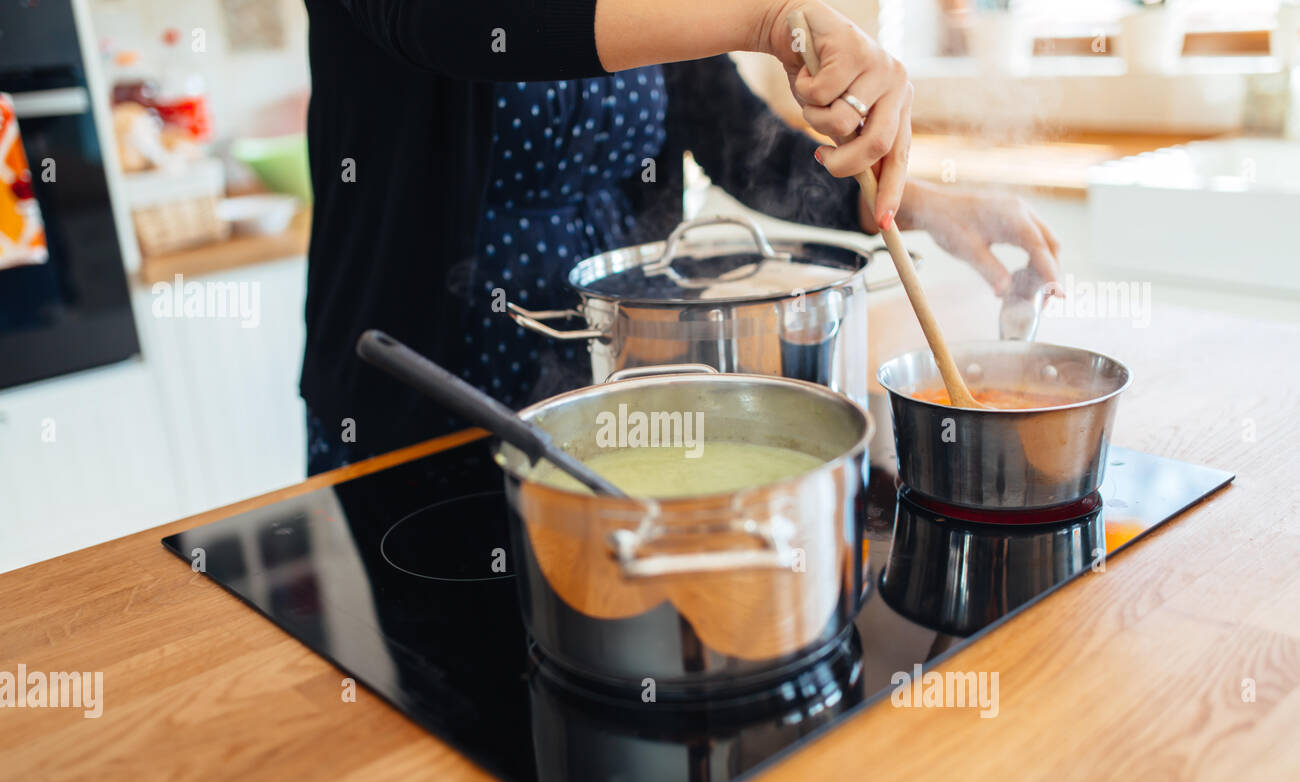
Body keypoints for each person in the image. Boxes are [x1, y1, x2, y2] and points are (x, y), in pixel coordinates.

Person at [302, 0, 1061, 474]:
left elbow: (738, 141)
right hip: (421, 404)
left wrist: (923, 203)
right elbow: (467, 24)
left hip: (617, 383)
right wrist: (764, 15)